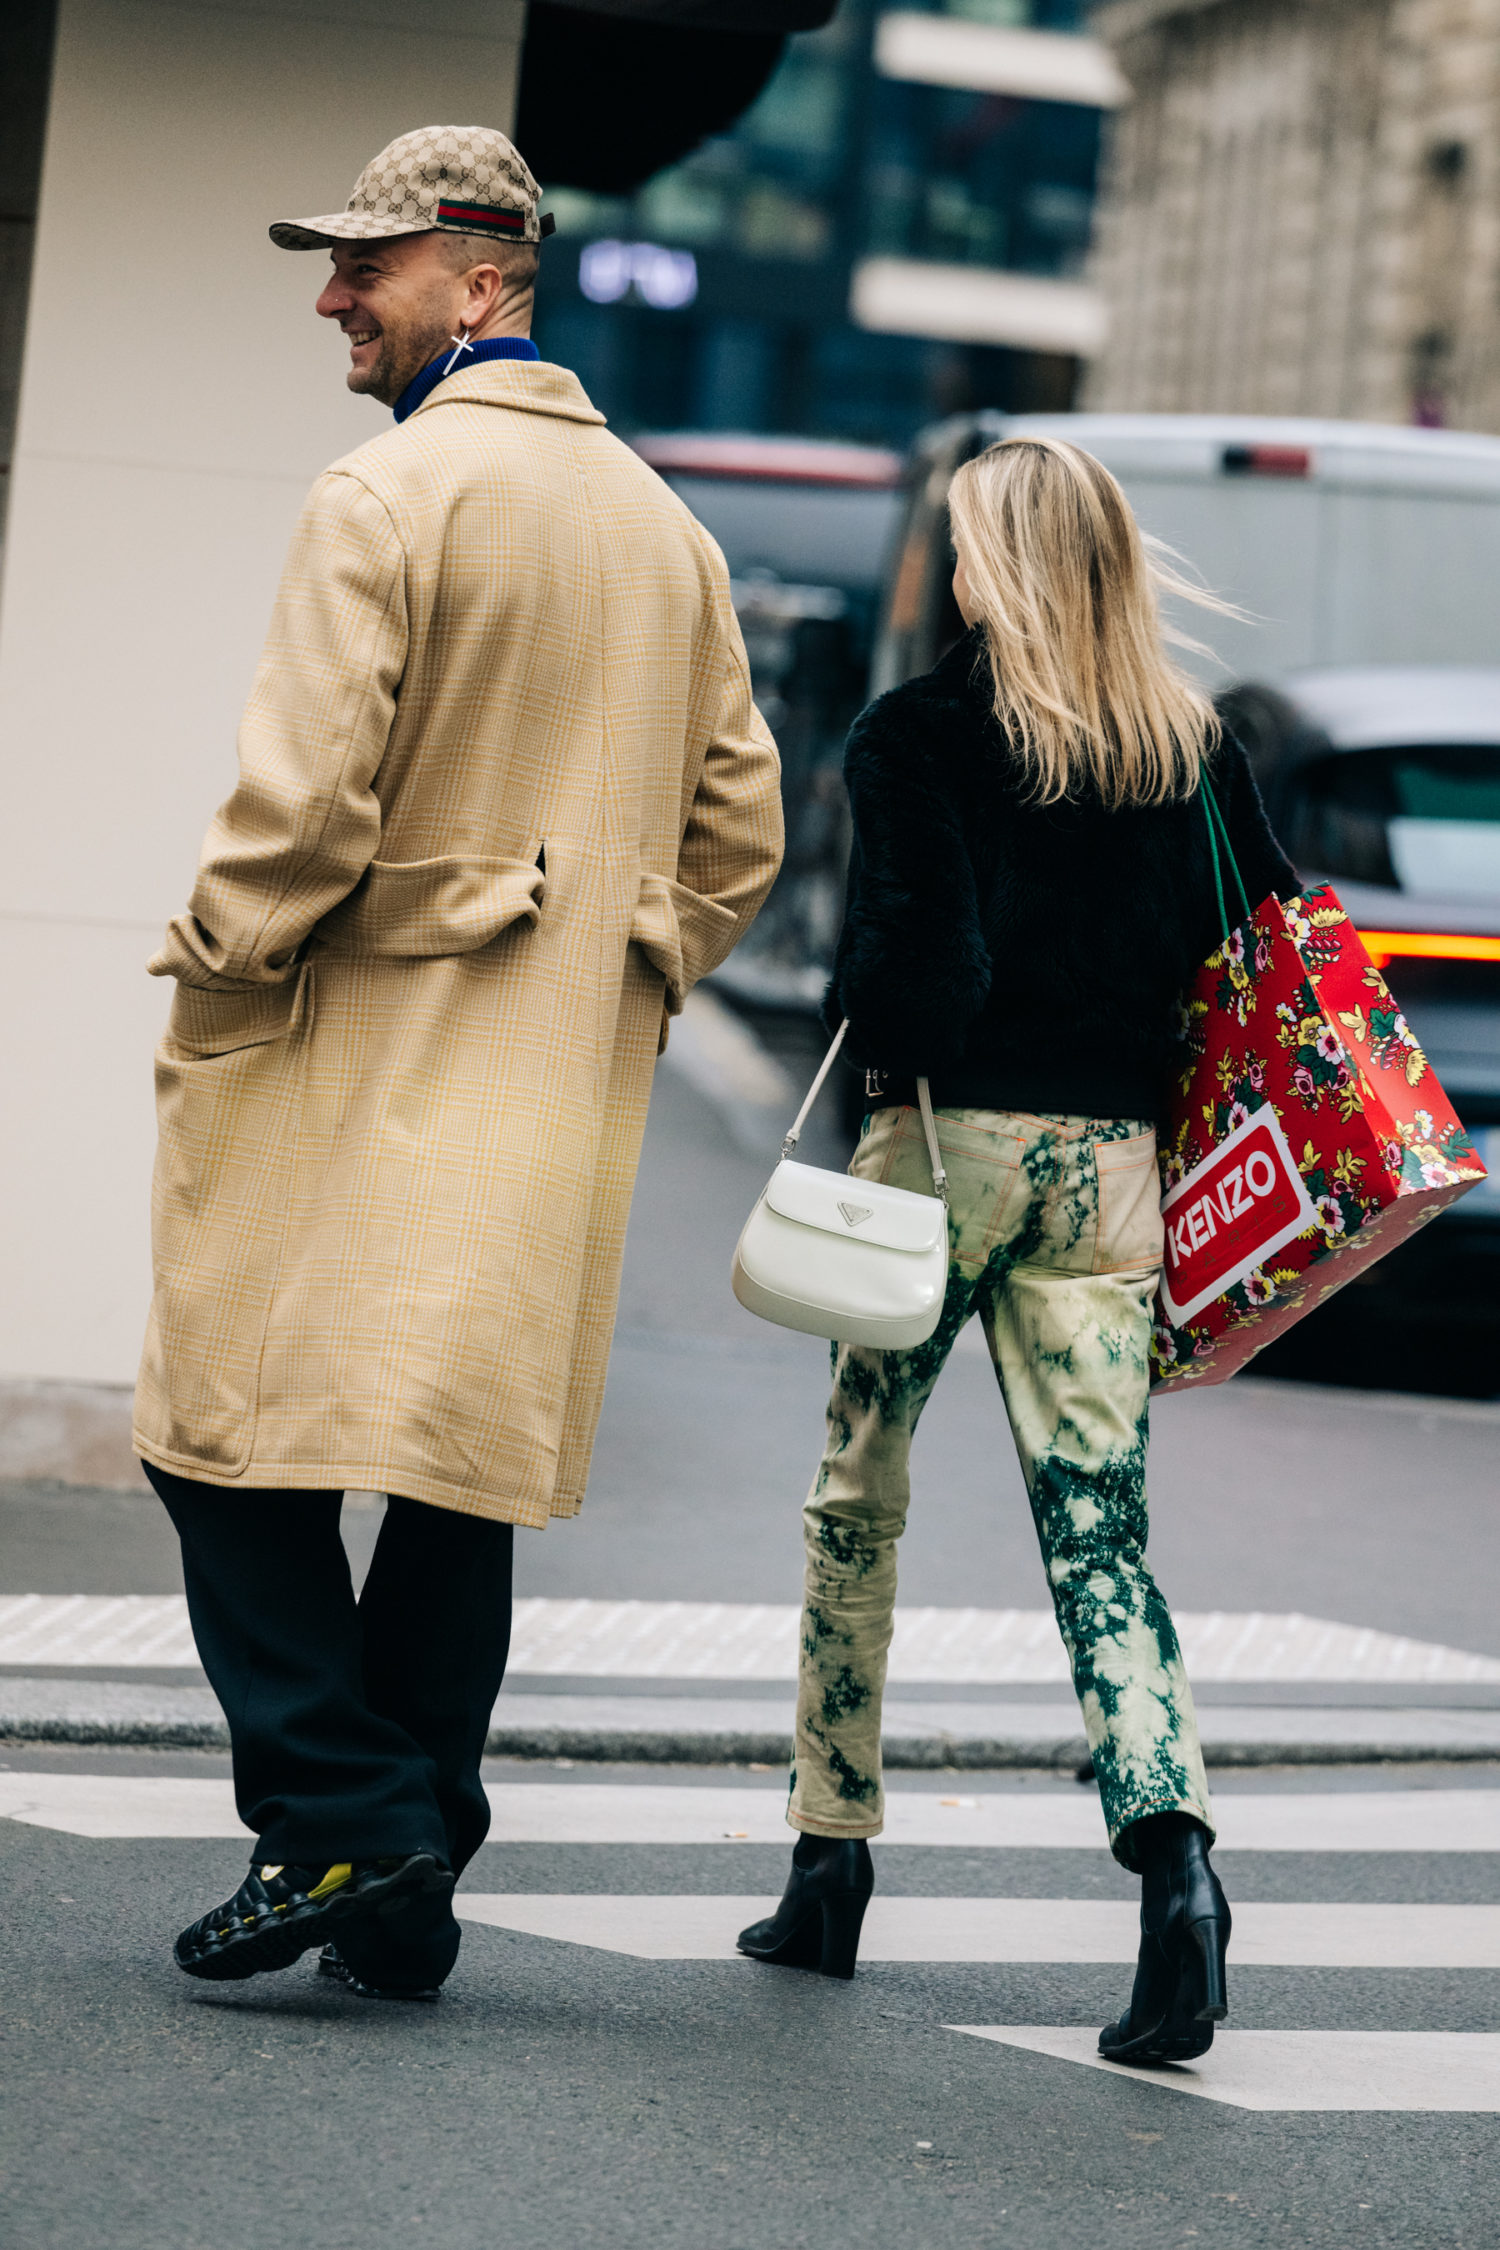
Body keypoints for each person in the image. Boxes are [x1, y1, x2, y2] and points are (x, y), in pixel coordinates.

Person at [136, 125, 783, 1999]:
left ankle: (347, 1802)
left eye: (367, 264)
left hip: (348, 1048)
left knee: (212, 1432)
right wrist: (615, 961)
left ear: (480, 274)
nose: (334, 297)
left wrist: (219, 956)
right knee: (452, 1469)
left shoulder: (388, 495)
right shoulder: (668, 529)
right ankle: (407, 1876)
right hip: (554, 1086)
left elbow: (298, 806)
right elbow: (738, 832)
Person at [737, 434, 1297, 2066]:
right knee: (1101, 1531)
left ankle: (829, 1861)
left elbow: (918, 986)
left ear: (1001, 563)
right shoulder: (1190, 742)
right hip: (1114, 1172)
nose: (960, 574)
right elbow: (1255, 940)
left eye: (971, 548)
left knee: (860, 1496)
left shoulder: (919, 735)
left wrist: (881, 977)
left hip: (941, 1160)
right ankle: (1177, 1873)